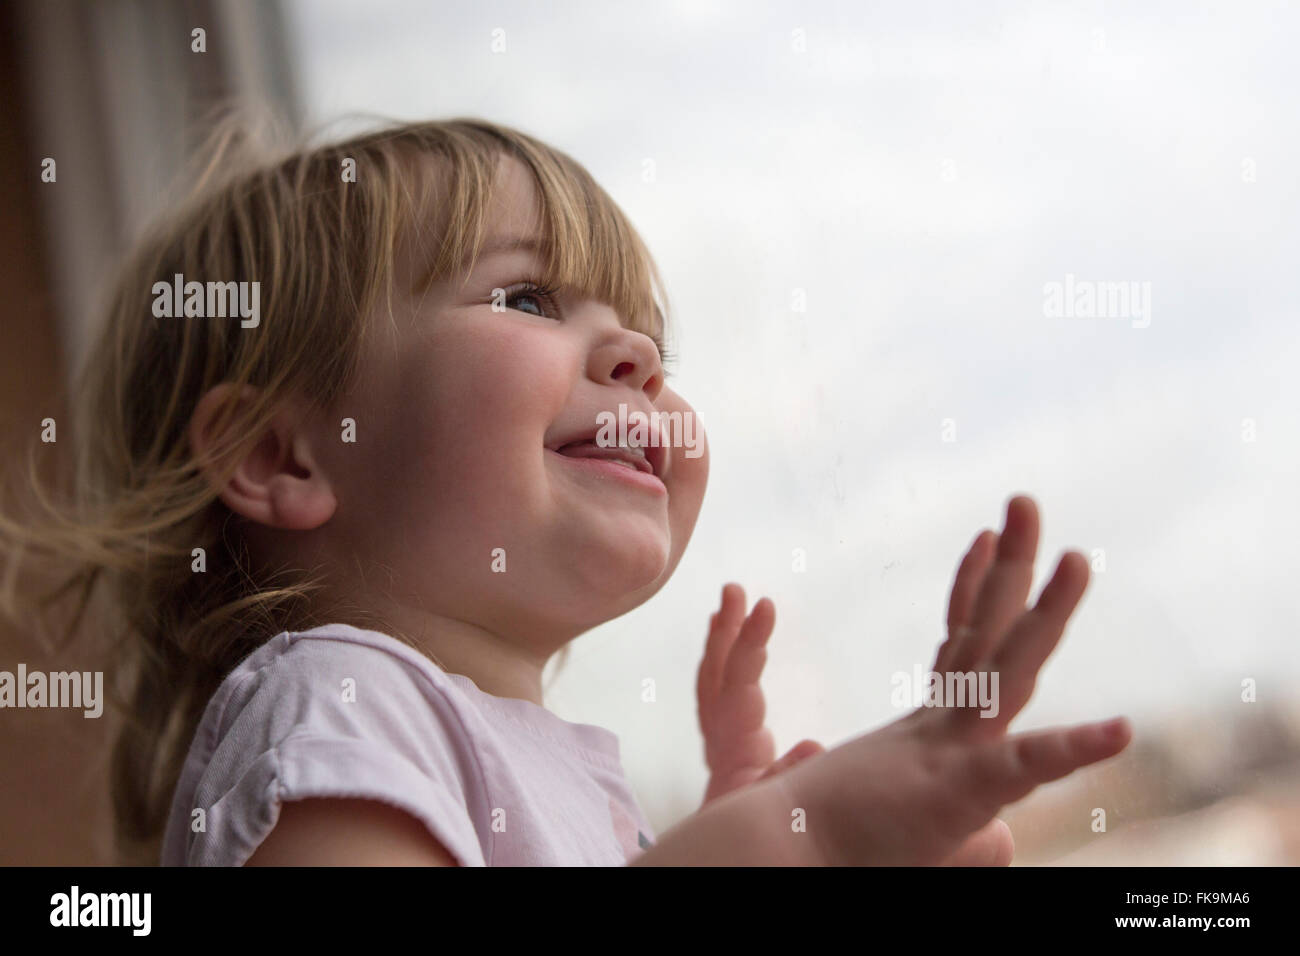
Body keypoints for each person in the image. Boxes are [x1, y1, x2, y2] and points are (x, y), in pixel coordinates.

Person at [0, 115, 1130, 866]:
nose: (634, 348)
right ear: (281, 455)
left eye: (648, 335)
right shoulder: (334, 704)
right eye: (531, 299)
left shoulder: (545, 772)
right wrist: (797, 835)